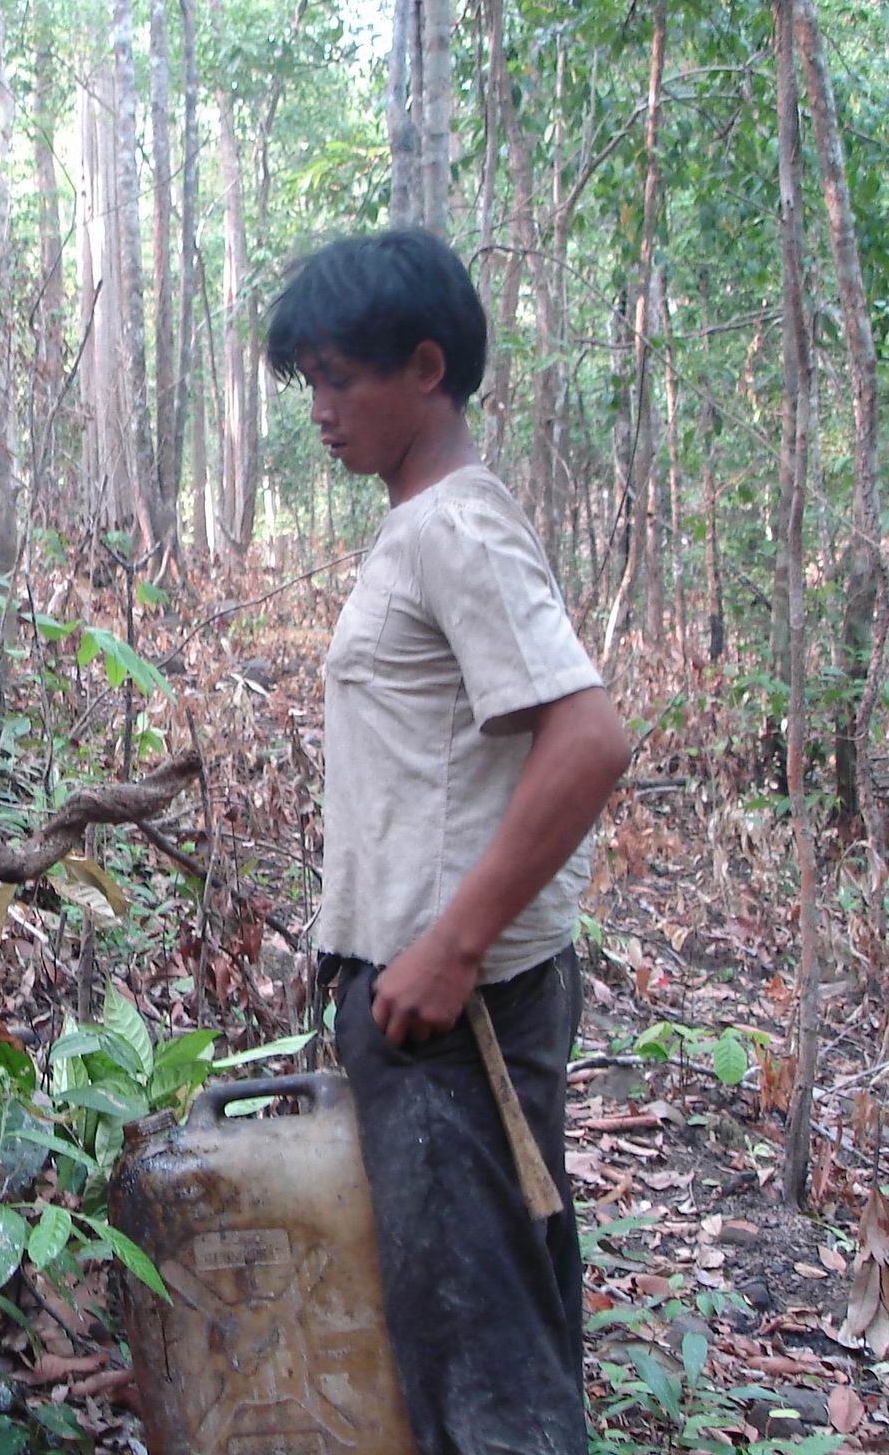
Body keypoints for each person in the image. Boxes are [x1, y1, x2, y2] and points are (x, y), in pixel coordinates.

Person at [265, 230, 630, 1455]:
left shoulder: (451, 530)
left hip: (447, 1018)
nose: (318, 411)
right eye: (306, 382)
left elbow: (585, 740)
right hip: (420, 1006)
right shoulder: (418, 528)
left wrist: (448, 951)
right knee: (467, 1335)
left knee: (486, 1370)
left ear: (424, 367)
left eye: (337, 378)